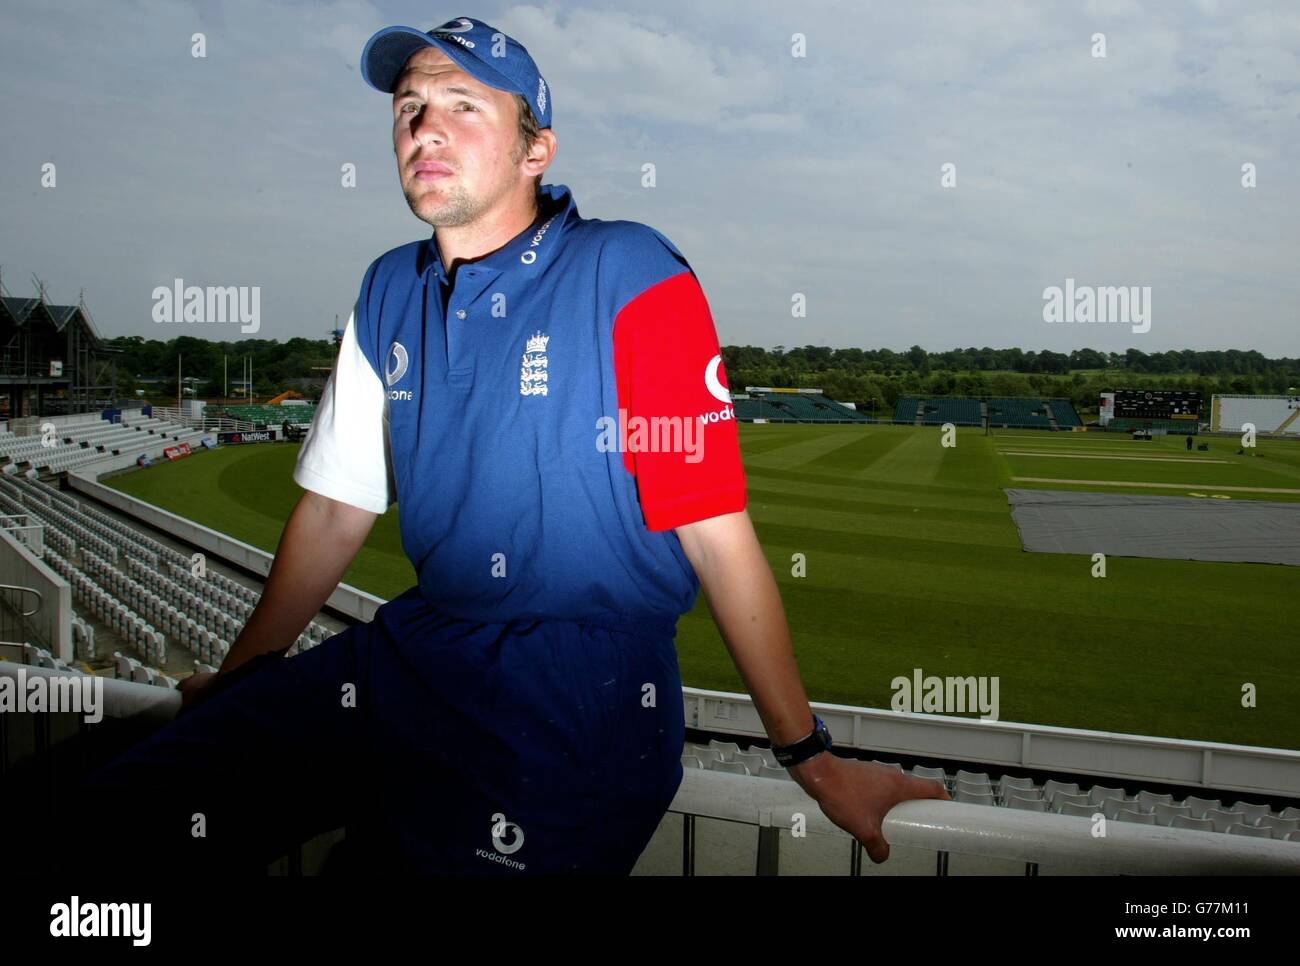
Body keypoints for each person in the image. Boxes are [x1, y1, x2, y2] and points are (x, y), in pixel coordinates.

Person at [69, 15, 948, 876]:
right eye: (408, 106)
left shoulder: (630, 272)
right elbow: (336, 509)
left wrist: (811, 756)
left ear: (537, 149)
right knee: (112, 819)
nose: (424, 128)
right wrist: (241, 677)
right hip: (412, 650)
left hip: (580, 697)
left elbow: (715, 533)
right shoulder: (386, 288)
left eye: (463, 105)